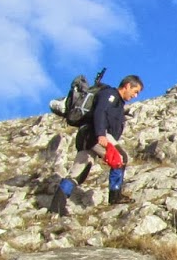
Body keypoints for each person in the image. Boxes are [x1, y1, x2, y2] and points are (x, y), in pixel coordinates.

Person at [48, 74, 143, 215]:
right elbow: (100, 112)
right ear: (128, 85)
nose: (135, 95)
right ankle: (115, 196)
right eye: (135, 91)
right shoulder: (110, 95)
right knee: (120, 158)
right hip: (94, 134)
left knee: (78, 173)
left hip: (86, 137)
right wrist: (101, 134)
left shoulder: (117, 102)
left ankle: (56, 207)